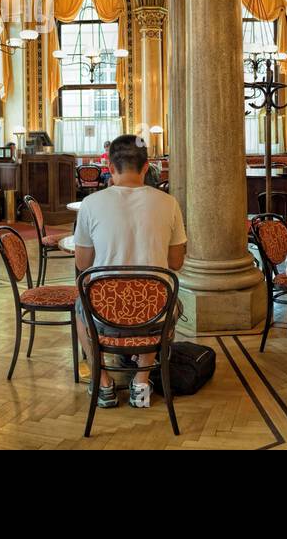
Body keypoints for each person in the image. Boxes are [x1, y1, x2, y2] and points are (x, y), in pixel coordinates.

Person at [73, 134, 188, 409]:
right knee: (168, 296)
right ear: (147, 167)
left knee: (79, 305)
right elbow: (176, 263)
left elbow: (82, 264)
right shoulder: (168, 203)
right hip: (154, 312)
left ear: (110, 168)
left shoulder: (90, 204)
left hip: (105, 312)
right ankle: (141, 382)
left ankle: (104, 384)